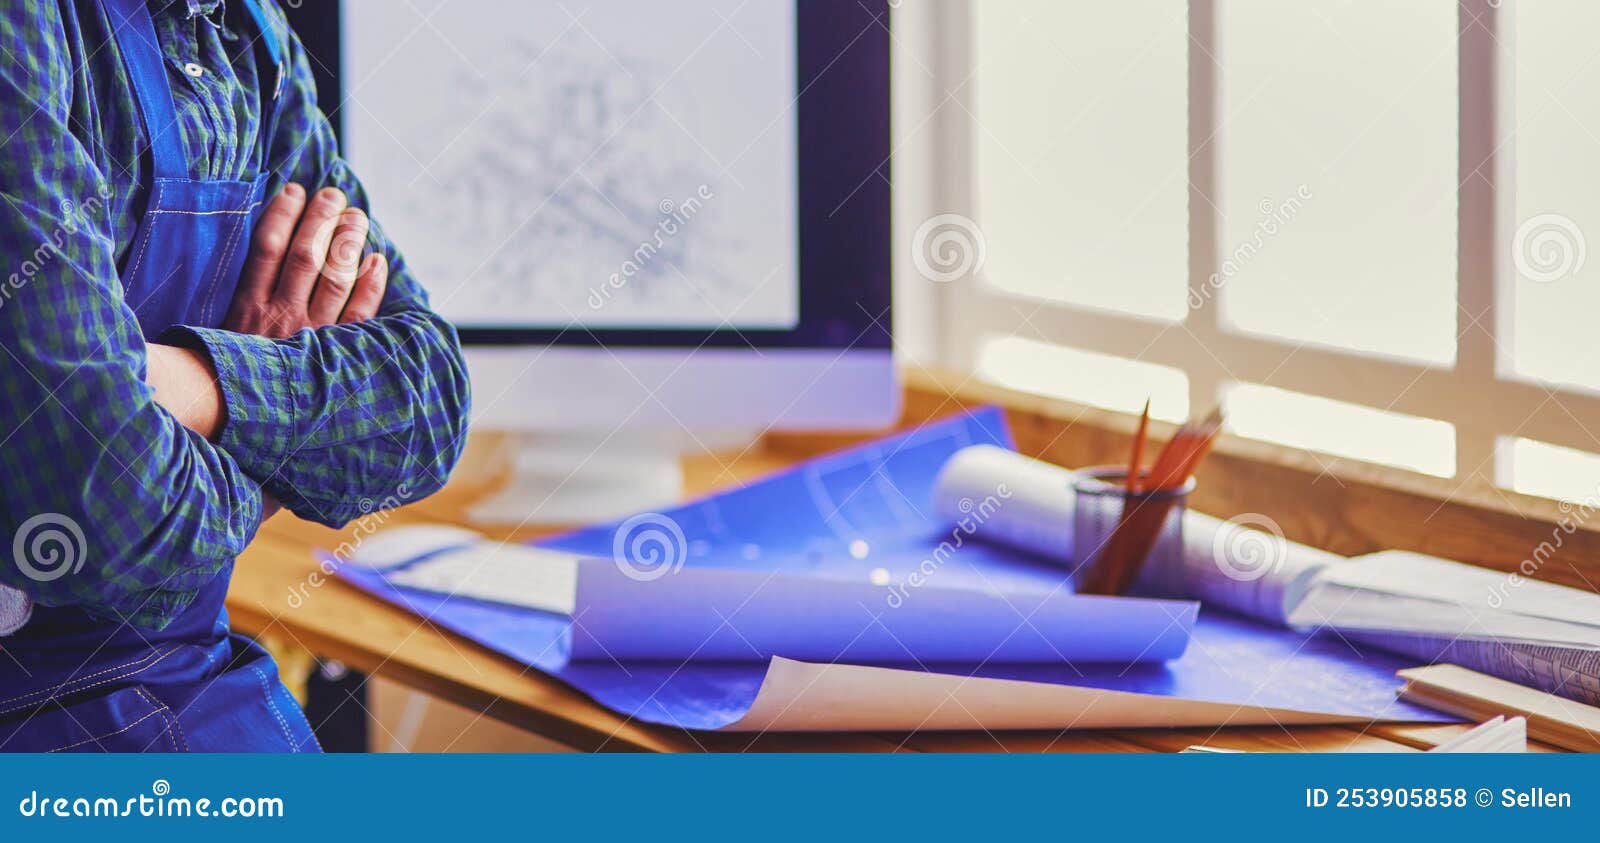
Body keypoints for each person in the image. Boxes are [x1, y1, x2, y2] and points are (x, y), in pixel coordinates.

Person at [0, 0, 471, 751]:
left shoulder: (248, 36)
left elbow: (428, 402)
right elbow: (101, 510)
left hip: (187, 673)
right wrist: (276, 456)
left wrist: (193, 383)